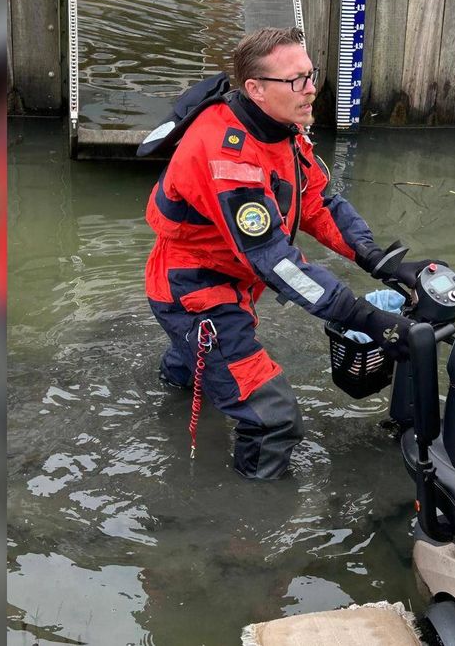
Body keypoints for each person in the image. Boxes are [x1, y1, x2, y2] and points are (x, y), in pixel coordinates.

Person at [143, 27, 435, 480]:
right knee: (273, 419)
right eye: (295, 80)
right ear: (255, 89)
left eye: (310, 74)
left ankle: (171, 399)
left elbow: (318, 203)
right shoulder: (227, 157)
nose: (311, 88)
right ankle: (250, 528)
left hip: (230, 279)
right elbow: (277, 263)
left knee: (195, 371)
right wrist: (365, 318)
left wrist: (383, 261)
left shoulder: (282, 128)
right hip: (195, 290)